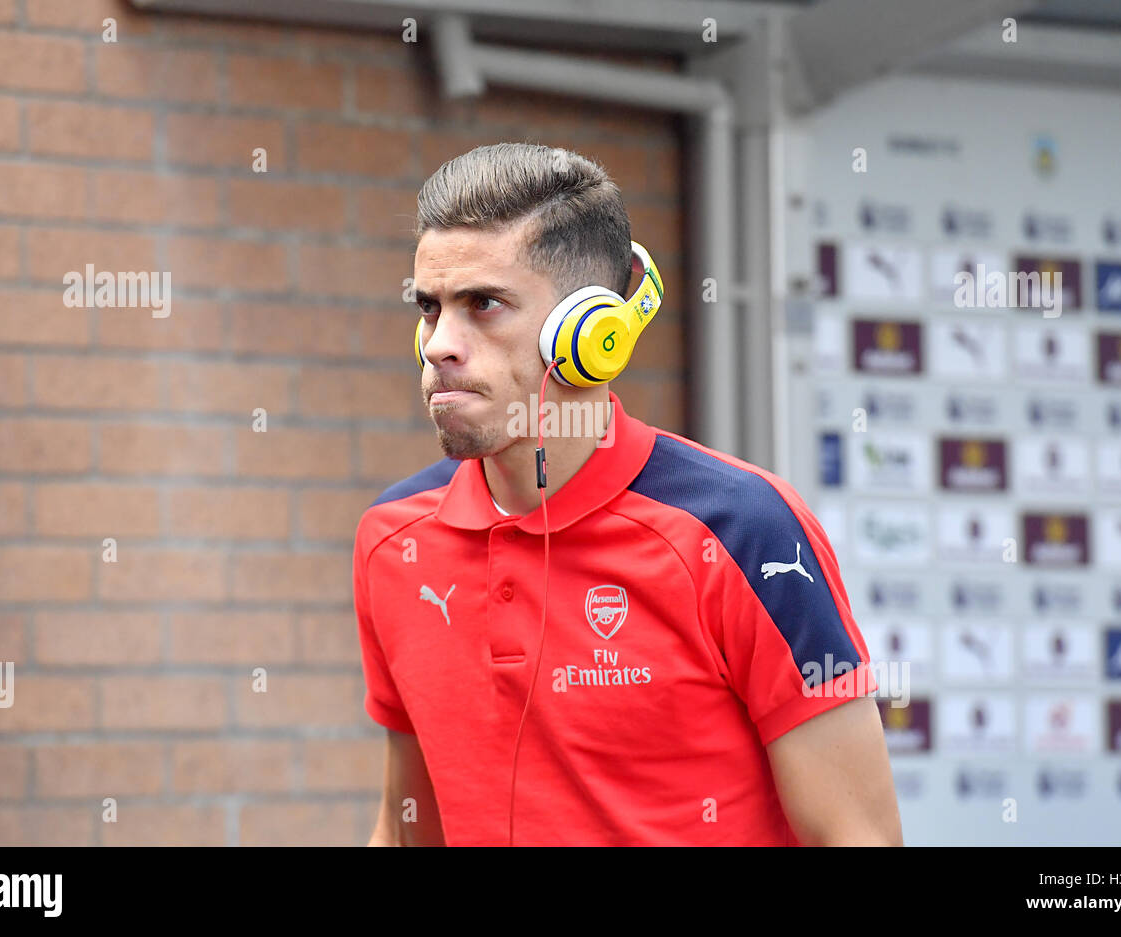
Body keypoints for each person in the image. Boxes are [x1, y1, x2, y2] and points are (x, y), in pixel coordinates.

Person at [356, 142, 901, 846]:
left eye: (483, 304)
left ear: (593, 332)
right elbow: (408, 831)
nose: (439, 344)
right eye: (430, 308)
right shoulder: (392, 540)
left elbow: (859, 837)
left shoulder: (746, 531)